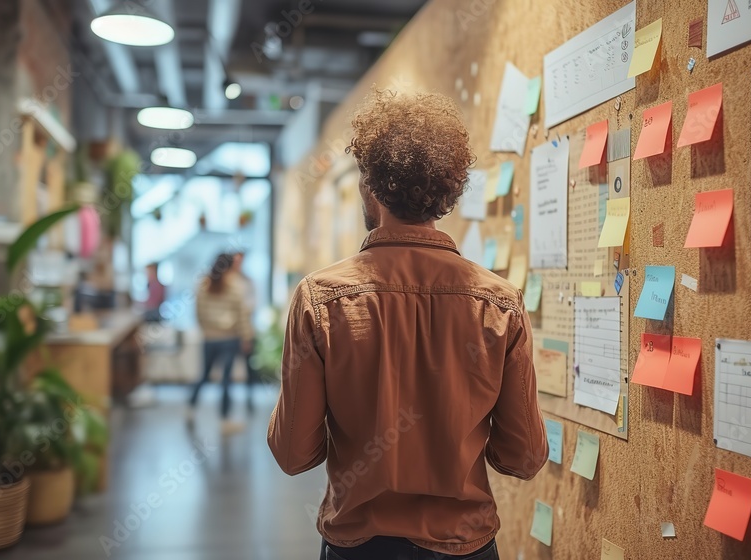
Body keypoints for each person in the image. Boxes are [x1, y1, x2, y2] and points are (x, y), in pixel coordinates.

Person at [268, 90, 548, 560]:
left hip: (358, 545)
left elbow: (294, 453)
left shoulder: (321, 298)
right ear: (446, 190)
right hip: (466, 544)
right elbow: (523, 457)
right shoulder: (499, 303)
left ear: (372, 185)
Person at [188, 253, 253, 435]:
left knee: (204, 374)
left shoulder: (203, 284)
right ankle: (225, 420)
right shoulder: (235, 285)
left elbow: (198, 311)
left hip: (209, 338)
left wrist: (206, 330)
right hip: (229, 337)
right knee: (226, 379)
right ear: (231, 266)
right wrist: (246, 337)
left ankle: (190, 408)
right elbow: (242, 314)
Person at [230, 251, 260, 412]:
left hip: (246, 330)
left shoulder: (247, 281)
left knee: (250, 368)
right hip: (230, 332)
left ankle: (250, 399)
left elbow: (251, 305)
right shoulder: (225, 282)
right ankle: (226, 407)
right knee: (227, 368)